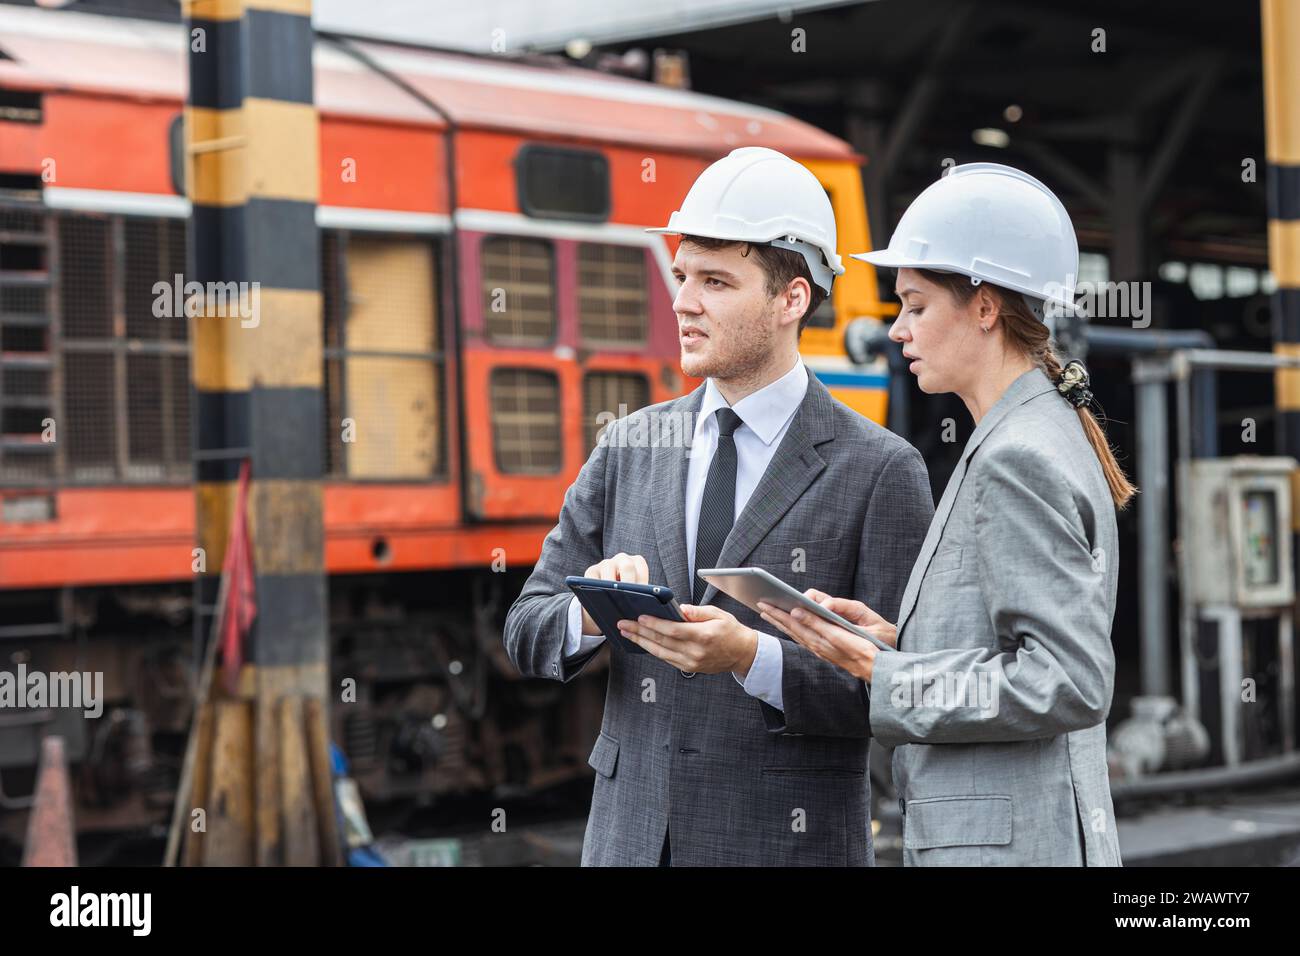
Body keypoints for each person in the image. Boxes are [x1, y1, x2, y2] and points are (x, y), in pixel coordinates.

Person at [503, 146, 934, 866]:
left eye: (715, 281)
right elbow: (525, 629)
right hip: (631, 843)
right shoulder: (629, 446)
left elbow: (903, 691)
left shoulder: (881, 470)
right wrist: (588, 611)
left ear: (790, 298)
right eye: (681, 276)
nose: (683, 302)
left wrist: (752, 658)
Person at [758, 163, 1133, 866]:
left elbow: (1068, 681)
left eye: (916, 305)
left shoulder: (1014, 457)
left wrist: (885, 674)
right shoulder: (1033, 430)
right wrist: (899, 642)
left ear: (985, 307)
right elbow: (1013, 647)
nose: (897, 331)